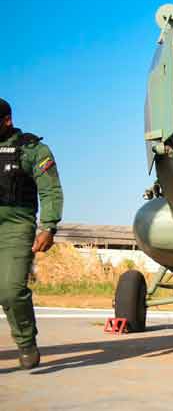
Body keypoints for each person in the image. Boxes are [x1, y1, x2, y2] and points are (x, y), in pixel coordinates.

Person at [0, 97, 63, 370]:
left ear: (7, 121)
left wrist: (48, 226)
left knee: (11, 291)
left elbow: (50, 189)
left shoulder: (31, 150)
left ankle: (26, 342)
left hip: (15, 225)